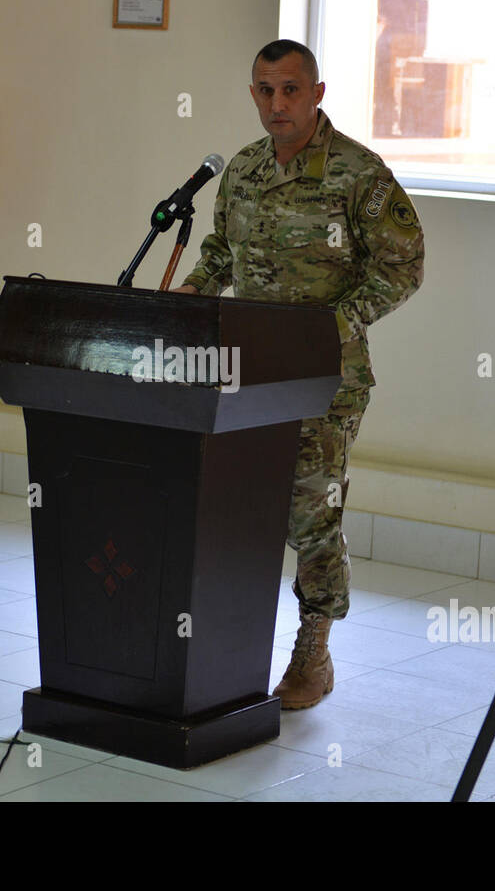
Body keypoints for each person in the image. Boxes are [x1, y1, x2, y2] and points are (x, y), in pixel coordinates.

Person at [172, 39, 425, 709]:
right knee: (240, 508)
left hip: (325, 378)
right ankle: (229, 639)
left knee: (311, 513)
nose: (276, 104)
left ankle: (313, 646)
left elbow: (402, 268)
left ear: (316, 94)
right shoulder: (246, 170)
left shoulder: (357, 174)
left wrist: (331, 325)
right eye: (263, 90)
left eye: (290, 90)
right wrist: (195, 293)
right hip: (244, 375)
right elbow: (221, 251)